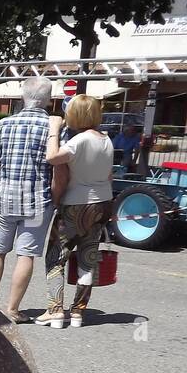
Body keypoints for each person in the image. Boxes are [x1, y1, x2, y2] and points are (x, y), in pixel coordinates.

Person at [0, 76, 55, 322]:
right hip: (38, 200)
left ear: (23, 96)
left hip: (5, 197)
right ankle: (12, 309)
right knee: (26, 254)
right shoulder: (53, 129)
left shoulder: (3, 125)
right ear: (48, 99)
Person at [39, 95, 114, 328]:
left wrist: (53, 129)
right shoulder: (107, 140)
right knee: (87, 257)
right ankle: (78, 311)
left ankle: (55, 310)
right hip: (102, 202)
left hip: (76, 203)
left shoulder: (79, 140)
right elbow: (110, 175)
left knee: (56, 257)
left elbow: (52, 158)